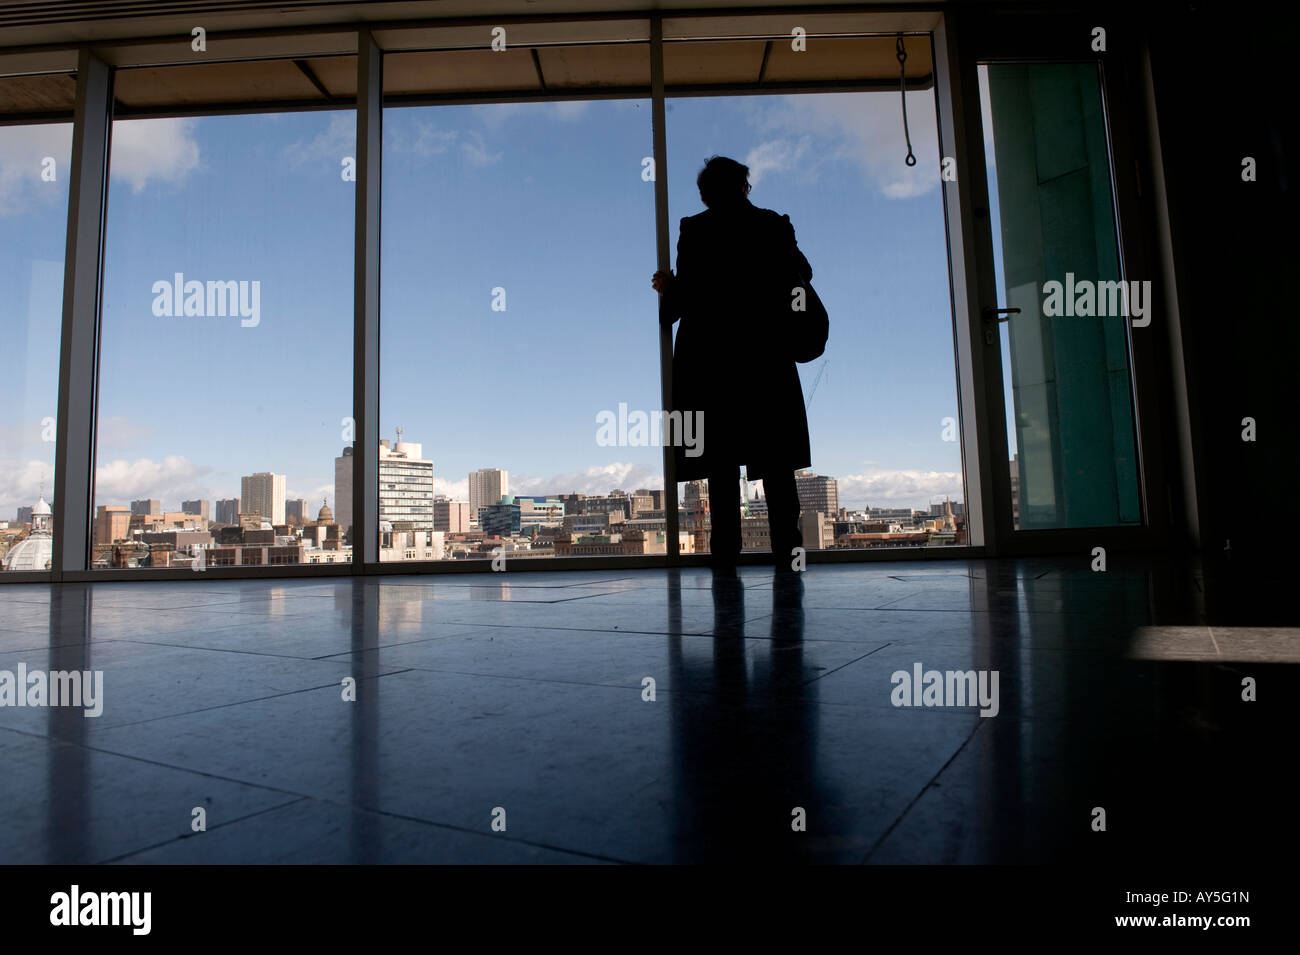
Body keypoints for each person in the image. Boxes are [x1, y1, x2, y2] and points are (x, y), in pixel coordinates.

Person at [652, 155, 813, 571]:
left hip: (712, 367)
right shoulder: (773, 225)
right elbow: (801, 276)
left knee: (720, 469)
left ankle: (725, 560)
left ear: (706, 194)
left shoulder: (696, 230)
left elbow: (679, 307)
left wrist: (669, 288)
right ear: (744, 186)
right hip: (767, 361)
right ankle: (789, 557)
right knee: (778, 467)